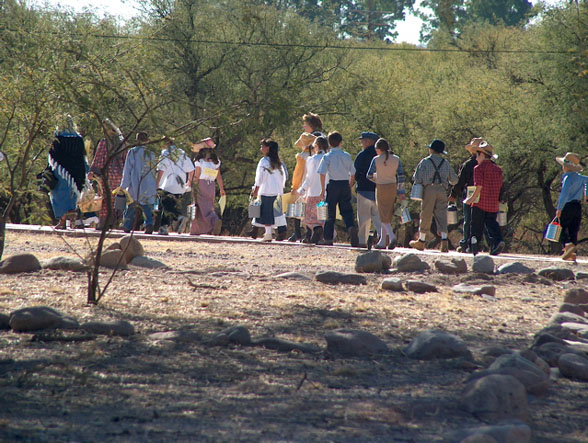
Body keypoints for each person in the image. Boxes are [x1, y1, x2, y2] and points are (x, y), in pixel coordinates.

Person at [409, 139, 458, 252]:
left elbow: (417, 178)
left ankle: (421, 241)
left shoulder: (425, 162)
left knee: (426, 214)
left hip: (429, 189)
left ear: (431, 150)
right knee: (442, 215)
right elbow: (454, 180)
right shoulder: (445, 163)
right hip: (442, 190)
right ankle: (444, 241)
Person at [317, 131, 359, 247]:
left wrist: (322, 189)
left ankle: (328, 238)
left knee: (330, 212)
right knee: (346, 210)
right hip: (344, 184)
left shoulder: (327, 156)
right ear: (340, 143)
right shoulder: (346, 156)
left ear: (329, 144)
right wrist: (349, 185)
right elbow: (353, 173)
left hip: (333, 184)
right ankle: (351, 227)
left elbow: (322, 173)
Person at [464, 141, 504, 256]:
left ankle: (474, 247)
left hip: (480, 203)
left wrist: (470, 199)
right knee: (492, 224)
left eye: (477, 155)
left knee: (476, 226)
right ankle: (497, 241)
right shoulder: (497, 169)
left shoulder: (478, 169)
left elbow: (479, 186)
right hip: (492, 204)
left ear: (482, 155)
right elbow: (500, 186)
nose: (476, 158)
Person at [47, 115, 88, 229]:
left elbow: (52, 156)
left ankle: (62, 221)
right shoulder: (79, 139)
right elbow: (83, 156)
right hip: (76, 174)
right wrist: (85, 170)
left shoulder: (57, 138)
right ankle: (73, 220)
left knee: (59, 196)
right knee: (72, 196)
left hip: (61, 172)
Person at [367, 138, 406, 249]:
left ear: (379, 149)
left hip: (381, 187)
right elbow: (401, 177)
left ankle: (392, 236)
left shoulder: (376, 159)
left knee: (382, 213)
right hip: (392, 187)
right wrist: (401, 192)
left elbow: (369, 175)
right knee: (387, 213)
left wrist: (377, 178)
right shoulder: (396, 159)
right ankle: (382, 241)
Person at [88, 118, 126, 229]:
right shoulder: (122, 143)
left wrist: (93, 171)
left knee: (105, 198)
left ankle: (104, 223)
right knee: (116, 198)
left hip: (107, 174)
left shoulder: (104, 142)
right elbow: (125, 158)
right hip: (119, 174)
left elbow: (99, 158)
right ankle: (115, 222)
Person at [450, 137, 484, 253]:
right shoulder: (489, 164)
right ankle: (478, 243)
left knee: (468, 219)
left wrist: (453, 194)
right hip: (484, 193)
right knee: (482, 219)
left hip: (469, 192)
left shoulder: (468, 164)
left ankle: (465, 243)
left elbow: (460, 181)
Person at [156, 136, 195, 235]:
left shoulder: (165, 153)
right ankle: (178, 218)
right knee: (171, 206)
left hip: (167, 184)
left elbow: (161, 169)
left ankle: (166, 226)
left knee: (165, 207)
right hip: (180, 185)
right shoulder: (182, 153)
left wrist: (156, 183)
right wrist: (189, 182)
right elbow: (191, 169)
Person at [120, 132, 157, 234]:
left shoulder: (132, 152)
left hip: (135, 183)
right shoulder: (151, 154)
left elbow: (127, 170)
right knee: (147, 206)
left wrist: (123, 185)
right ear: (147, 141)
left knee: (131, 206)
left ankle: (127, 226)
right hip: (148, 183)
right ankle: (149, 225)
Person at [294, 135, 329, 244]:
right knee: (321, 216)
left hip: (313, 192)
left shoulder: (311, 159)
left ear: (317, 146)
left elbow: (309, 177)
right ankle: (320, 236)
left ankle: (315, 230)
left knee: (309, 216)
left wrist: (302, 189)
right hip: (325, 192)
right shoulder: (328, 158)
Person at [251, 138, 288, 242]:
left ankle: (268, 234)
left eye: (262, 146)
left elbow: (259, 178)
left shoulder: (263, 162)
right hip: (277, 191)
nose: (261, 148)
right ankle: (272, 232)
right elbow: (283, 178)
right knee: (276, 213)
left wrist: (256, 189)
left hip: (266, 191)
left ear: (268, 148)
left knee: (266, 213)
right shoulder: (279, 163)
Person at [554, 152, 588, 261]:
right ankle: (572, 254)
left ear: (567, 167)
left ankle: (568, 246)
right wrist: (586, 195)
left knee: (563, 228)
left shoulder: (567, 178)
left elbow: (564, 194)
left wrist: (559, 208)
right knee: (574, 229)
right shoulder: (581, 178)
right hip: (577, 206)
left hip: (567, 206)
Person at [189, 139, 225, 235]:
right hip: (211, 186)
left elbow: (197, 175)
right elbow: (219, 176)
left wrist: (193, 186)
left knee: (201, 208)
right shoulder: (215, 162)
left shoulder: (199, 161)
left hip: (201, 184)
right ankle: (206, 229)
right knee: (208, 206)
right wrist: (221, 189)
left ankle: (214, 220)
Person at [354, 131, 382, 248]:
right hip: (378, 190)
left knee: (364, 219)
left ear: (369, 141)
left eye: (363, 141)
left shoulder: (362, 155)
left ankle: (362, 241)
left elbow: (355, 172)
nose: (362, 143)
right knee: (378, 218)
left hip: (364, 190)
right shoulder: (381, 156)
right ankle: (384, 239)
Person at [288, 132, 316, 241]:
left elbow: (297, 173)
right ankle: (309, 234)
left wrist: (294, 186)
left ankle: (297, 233)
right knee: (310, 212)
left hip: (301, 186)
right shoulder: (316, 156)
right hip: (312, 188)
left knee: (297, 211)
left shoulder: (302, 157)